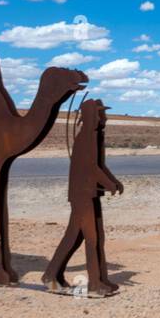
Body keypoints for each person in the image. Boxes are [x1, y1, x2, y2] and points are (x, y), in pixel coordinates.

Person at [43, 98, 124, 296]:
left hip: (90, 193)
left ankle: (54, 276)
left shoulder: (95, 136)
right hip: (82, 194)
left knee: (79, 236)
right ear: (90, 116)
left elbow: (100, 165)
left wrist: (113, 181)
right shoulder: (86, 137)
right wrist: (108, 183)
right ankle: (95, 284)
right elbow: (91, 167)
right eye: (100, 114)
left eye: (103, 113)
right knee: (91, 238)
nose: (103, 117)